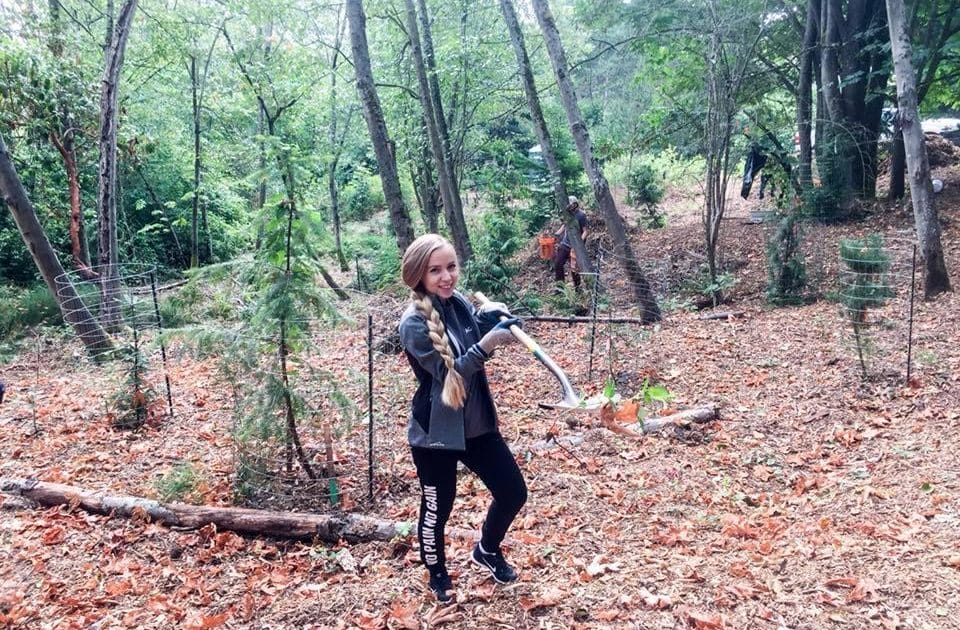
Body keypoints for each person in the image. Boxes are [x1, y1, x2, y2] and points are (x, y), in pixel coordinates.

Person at [398, 234, 528, 602]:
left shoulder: (456, 304)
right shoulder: (412, 323)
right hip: (436, 433)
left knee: (513, 492)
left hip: (477, 425)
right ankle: (437, 571)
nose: (446, 277)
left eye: (451, 267)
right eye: (435, 270)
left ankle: (486, 549)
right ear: (418, 275)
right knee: (438, 507)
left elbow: (474, 337)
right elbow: (452, 374)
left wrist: (492, 320)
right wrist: (489, 344)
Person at [552, 196, 588, 290]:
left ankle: (578, 288)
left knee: (574, 268)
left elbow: (585, 231)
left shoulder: (581, 215)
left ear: (575, 204)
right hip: (565, 243)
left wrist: (579, 244)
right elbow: (564, 225)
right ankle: (560, 288)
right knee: (558, 264)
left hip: (575, 246)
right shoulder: (568, 214)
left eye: (571, 205)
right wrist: (557, 234)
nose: (569, 207)